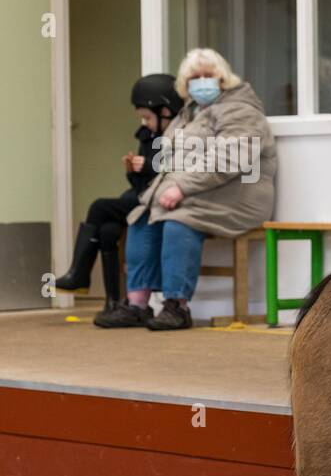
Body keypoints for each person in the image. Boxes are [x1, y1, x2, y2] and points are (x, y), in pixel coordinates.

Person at [95, 47, 277, 331]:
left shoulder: (242, 111)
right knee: (142, 216)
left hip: (238, 195)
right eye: (195, 77)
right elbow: (168, 160)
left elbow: (229, 160)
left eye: (209, 75)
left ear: (223, 78)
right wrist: (157, 193)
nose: (202, 81)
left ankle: (177, 306)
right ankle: (137, 304)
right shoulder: (188, 113)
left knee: (179, 222)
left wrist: (180, 187)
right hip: (199, 192)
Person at [55, 74, 181, 319]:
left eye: (147, 117)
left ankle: (79, 273)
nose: (144, 123)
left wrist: (146, 167)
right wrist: (133, 170)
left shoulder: (180, 135)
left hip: (158, 199)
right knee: (108, 230)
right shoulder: (148, 135)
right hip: (142, 193)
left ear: (166, 111)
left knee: (99, 207)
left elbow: (174, 172)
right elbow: (142, 181)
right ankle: (113, 302)